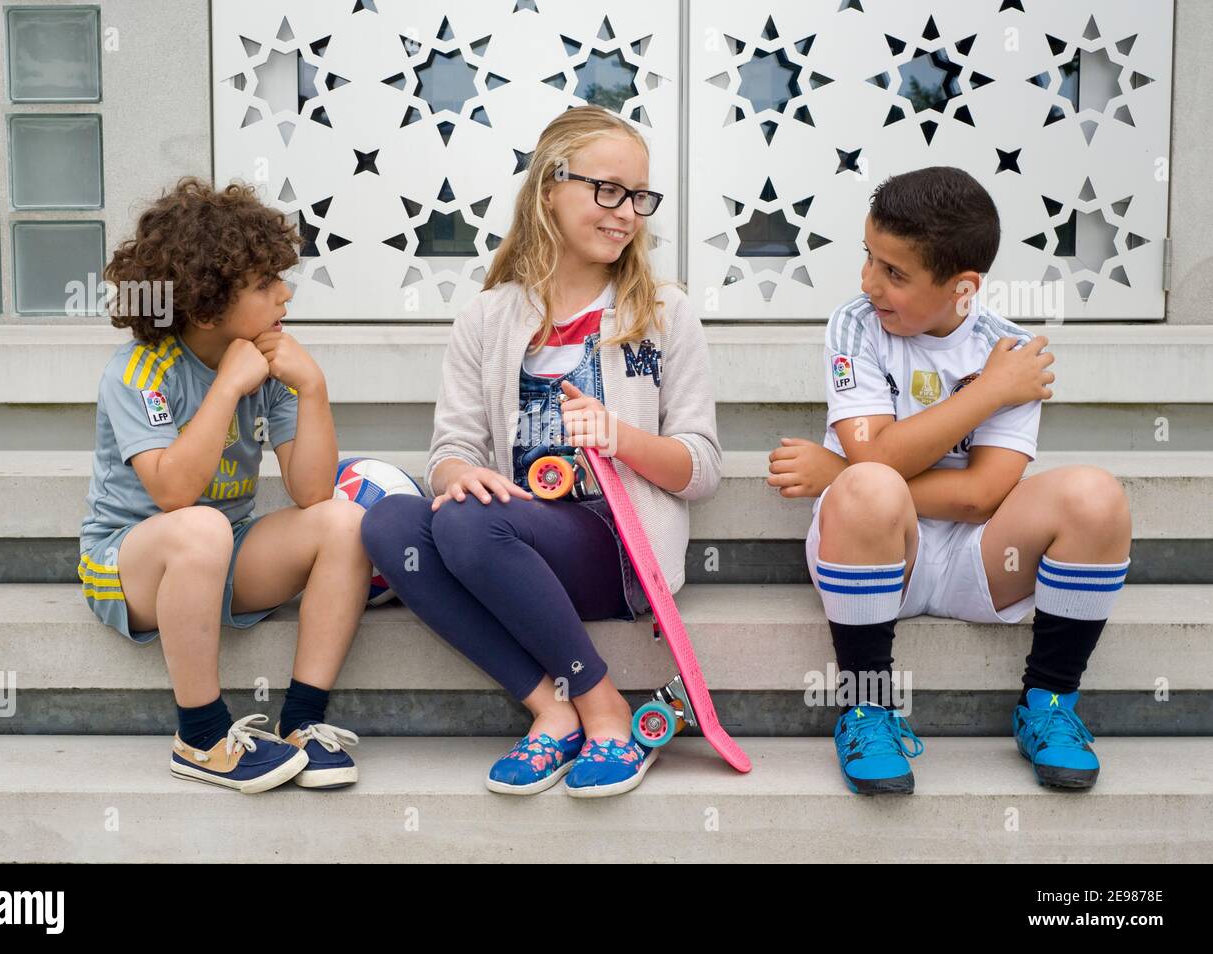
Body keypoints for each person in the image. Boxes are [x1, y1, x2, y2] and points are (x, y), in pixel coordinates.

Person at [361, 106, 722, 798]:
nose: (626, 213)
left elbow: (701, 468)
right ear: (549, 188)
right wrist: (460, 472)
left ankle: (606, 712)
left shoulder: (664, 314)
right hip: (513, 539)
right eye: (606, 190)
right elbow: (450, 449)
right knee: (389, 523)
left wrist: (621, 438)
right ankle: (553, 710)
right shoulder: (489, 317)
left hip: (618, 548)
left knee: (469, 523)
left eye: (639, 197)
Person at [768, 166, 1132, 795]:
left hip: (980, 560)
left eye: (894, 273)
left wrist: (842, 468)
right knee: (865, 490)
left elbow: (981, 496)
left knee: (1097, 496)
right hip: (874, 550)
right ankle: (867, 709)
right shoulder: (856, 325)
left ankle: (1049, 704)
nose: (869, 283)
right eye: (869, 259)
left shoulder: (1009, 351)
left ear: (962, 288)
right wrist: (986, 394)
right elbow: (876, 454)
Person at [79, 177, 373, 793]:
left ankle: (302, 724)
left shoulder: (274, 365)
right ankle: (202, 737)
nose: (285, 296)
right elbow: (172, 495)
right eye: (266, 286)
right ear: (208, 308)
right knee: (201, 526)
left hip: (223, 549)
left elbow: (312, 492)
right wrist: (227, 387)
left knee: (344, 519)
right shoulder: (139, 370)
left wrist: (312, 388)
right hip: (130, 561)